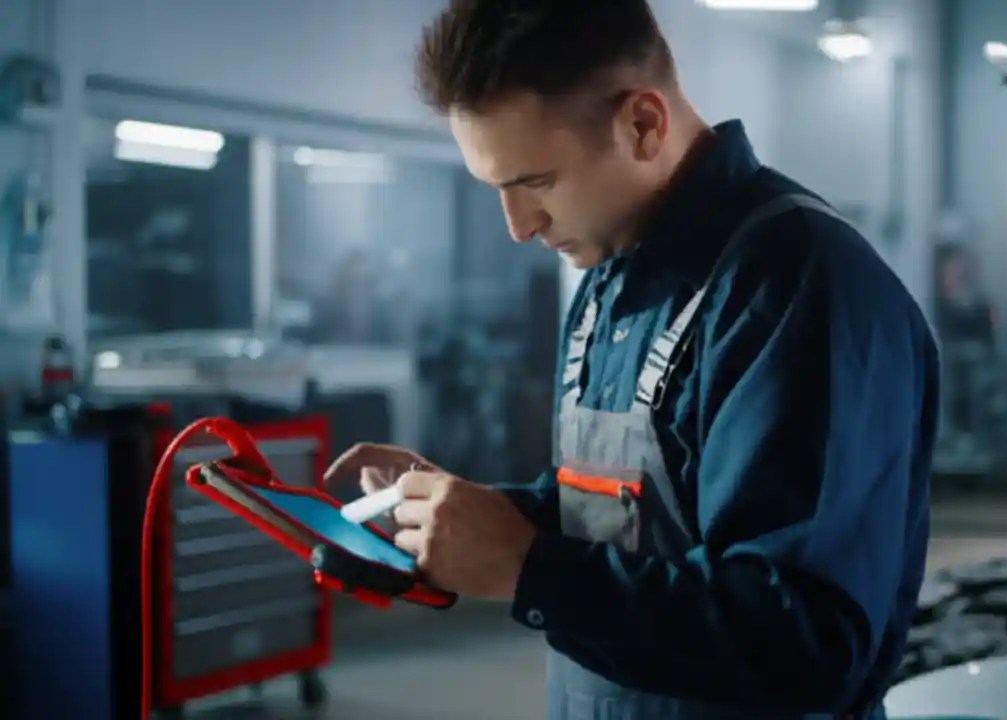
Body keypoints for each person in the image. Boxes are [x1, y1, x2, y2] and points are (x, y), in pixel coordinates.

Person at [324, 1, 939, 718]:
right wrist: (465, 518)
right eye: (498, 190)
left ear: (644, 124)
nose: (519, 227)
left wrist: (530, 569)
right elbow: (620, 513)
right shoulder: (610, 276)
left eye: (536, 182)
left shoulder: (796, 285)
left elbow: (807, 638)